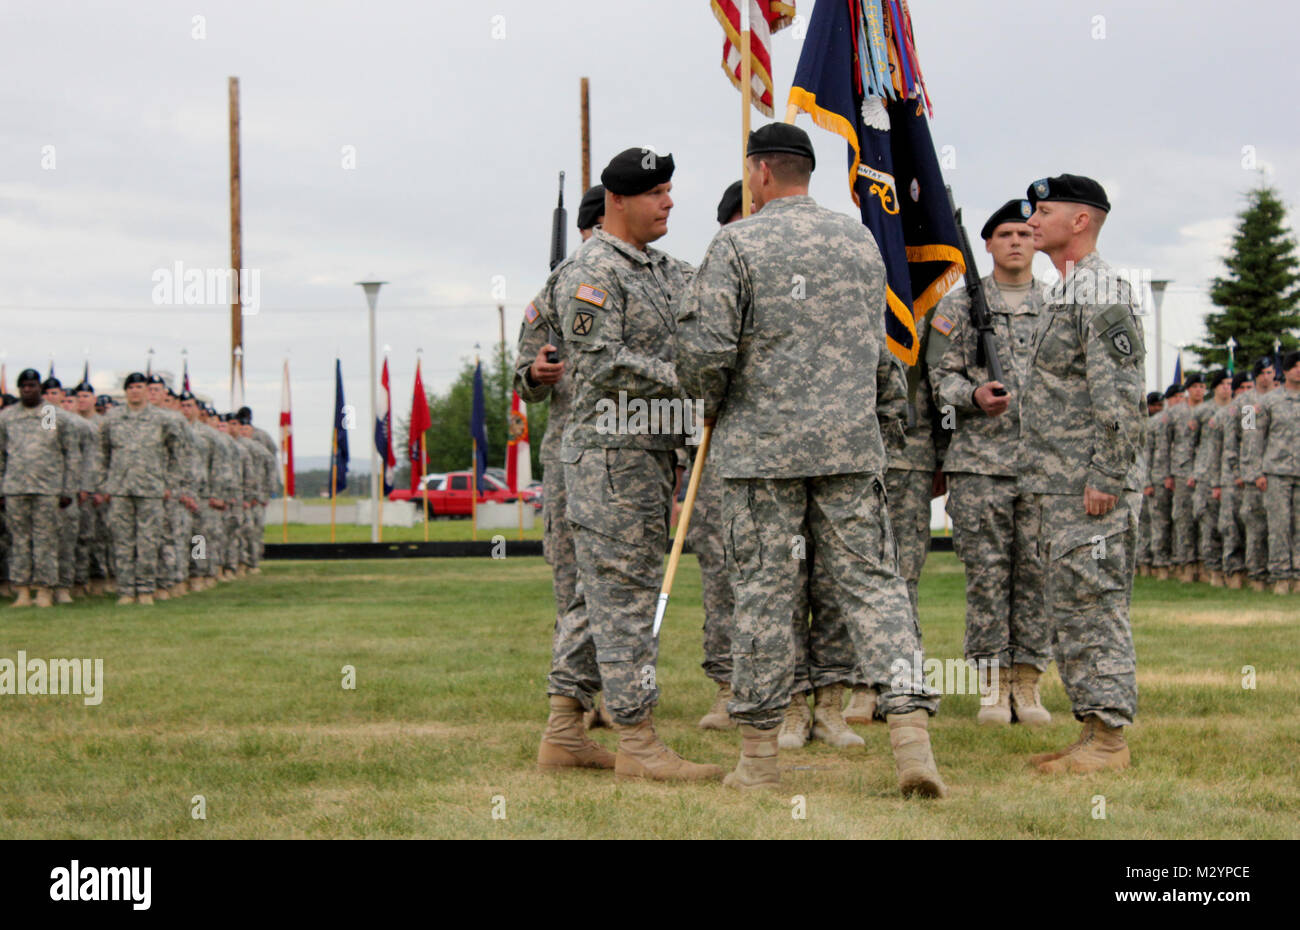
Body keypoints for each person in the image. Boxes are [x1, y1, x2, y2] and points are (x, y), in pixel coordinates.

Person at [677, 123, 946, 797]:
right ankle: (912, 742)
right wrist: (880, 423)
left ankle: (759, 763)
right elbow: (881, 345)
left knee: (765, 598)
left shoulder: (736, 242)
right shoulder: (858, 241)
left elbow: (706, 353)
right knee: (875, 589)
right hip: (850, 448)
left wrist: (706, 398)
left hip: (762, 453)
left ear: (759, 173)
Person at [535, 147, 722, 781]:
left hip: (648, 453)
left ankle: (564, 732)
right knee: (626, 599)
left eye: (670, 190)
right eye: (654, 193)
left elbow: (716, 311)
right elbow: (604, 361)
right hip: (610, 459)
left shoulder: (666, 270)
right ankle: (638, 740)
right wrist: (692, 385)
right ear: (617, 200)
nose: (668, 202)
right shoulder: (589, 272)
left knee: (595, 596)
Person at [1019, 173, 1145, 774]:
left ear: (1081, 221)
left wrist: (1105, 476)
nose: (1032, 220)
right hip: (1059, 484)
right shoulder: (1062, 292)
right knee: (1071, 608)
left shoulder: (1101, 291)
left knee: (1095, 607)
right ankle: (1092, 730)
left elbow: (1120, 396)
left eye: (1044, 211)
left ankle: (1111, 743)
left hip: (1089, 487)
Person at [928, 198, 1051, 726]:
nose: (1017, 242)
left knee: (1037, 576)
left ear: (1036, 241)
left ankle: (1029, 684)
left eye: (1025, 232)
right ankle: (993, 687)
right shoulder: (958, 308)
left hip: (1046, 467)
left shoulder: (1059, 306)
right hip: (980, 465)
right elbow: (940, 379)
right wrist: (974, 396)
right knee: (987, 578)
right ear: (988, 245)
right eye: (1005, 234)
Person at [96, 372, 186, 605]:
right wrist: (103, 484)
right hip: (120, 488)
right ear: (126, 392)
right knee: (122, 541)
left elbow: (177, 454)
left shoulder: (163, 419)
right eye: (131, 387)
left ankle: (146, 589)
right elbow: (101, 454)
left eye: (139, 387)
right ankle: (126, 590)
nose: (135, 391)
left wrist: (170, 484)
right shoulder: (111, 419)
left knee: (148, 541)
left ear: (147, 391)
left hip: (151, 489)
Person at [0, 369, 81, 608]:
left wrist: (68, 489)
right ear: (19, 389)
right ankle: (22, 590)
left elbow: (71, 454)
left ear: (40, 388)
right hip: (16, 488)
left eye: (32, 385)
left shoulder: (53, 415)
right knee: (20, 541)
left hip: (48, 489)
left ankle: (45, 590)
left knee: (46, 540)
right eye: (23, 386)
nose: (28, 389)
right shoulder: (7, 417)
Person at [1243, 350, 1300, 594]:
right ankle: (1280, 577)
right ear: (1284, 371)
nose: (1299, 369)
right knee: (1278, 526)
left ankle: (1298, 576)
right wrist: (1255, 472)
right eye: (1294, 366)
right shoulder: (1267, 402)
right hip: (1276, 472)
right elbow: (1252, 437)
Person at [1235, 357, 1277, 590]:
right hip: (1256, 472)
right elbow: (1248, 437)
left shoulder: (1282, 398)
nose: (1266, 376)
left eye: (1270, 372)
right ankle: (1257, 573)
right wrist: (1251, 471)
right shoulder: (1249, 403)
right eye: (1262, 372)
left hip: (1282, 469)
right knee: (1256, 525)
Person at [1164, 371, 1205, 583]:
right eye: (1195, 386)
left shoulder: (1210, 411)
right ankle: (1185, 563)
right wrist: (1166, 474)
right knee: (1183, 518)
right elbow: (1165, 444)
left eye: (1202, 386)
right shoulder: (1175, 413)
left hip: (1205, 471)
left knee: (1204, 517)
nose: (1199, 390)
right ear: (1188, 389)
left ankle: (1203, 563)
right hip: (1181, 470)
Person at [1193, 370, 1232, 586]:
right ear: (1215, 387)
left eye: (1229, 383)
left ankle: (1230, 569)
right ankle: (1212, 569)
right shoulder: (1202, 411)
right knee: (1208, 521)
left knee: (1229, 523)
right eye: (1223, 384)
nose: (1227, 387)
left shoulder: (1242, 409)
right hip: (1206, 472)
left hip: (1230, 471)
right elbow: (1189, 444)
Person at [1217, 371, 1254, 588]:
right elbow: (1230, 445)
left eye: (1251, 387)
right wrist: (1237, 471)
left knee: (1251, 524)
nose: (1247, 393)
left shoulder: (1254, 408)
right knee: (1231, 525)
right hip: (1232, 476)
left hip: (1254, 474)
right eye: (1243, 388)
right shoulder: (1234, 411)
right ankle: (1232, 573)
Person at [1148, 382, 1185, 579]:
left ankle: (1177, 560)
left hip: (1179, 474)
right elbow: (1147, 453)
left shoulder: (1185, 420)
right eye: (1176, 397)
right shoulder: (1156, 422)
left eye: (1182, 396)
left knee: (1179, 519)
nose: (1180, 400)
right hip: (1158, 477)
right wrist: (1147, 481)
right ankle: (1160, 563)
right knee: (1160, 521)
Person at [1137, 391, 1165, 575]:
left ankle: (1153, 562)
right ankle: (1143, 562)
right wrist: (1146, 481)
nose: (1158, 409)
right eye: (1155, 406)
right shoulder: (1142, 425)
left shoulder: (1160, 424)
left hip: (1157, 478)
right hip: (1142, 480)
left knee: (1157, 523)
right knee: (1144, 524)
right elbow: (1145, 455)